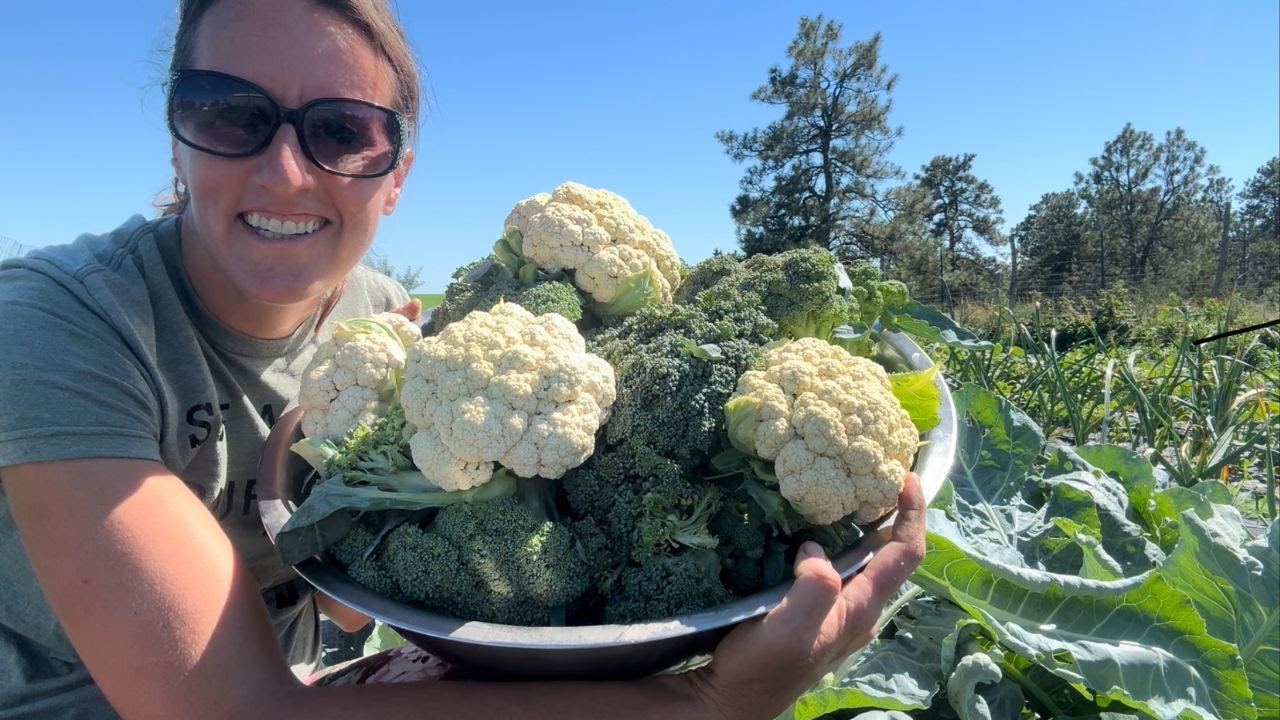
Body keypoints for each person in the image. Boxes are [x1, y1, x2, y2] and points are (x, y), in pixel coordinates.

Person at [0, 0, 926, 718]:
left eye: (340, 130)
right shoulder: (57, 325)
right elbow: (225, 710)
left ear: (396, 175)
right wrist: (707, 702)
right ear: (177, 135)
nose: (285, 169)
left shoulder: (382, 323)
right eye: (229, 112)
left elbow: (360, 603)